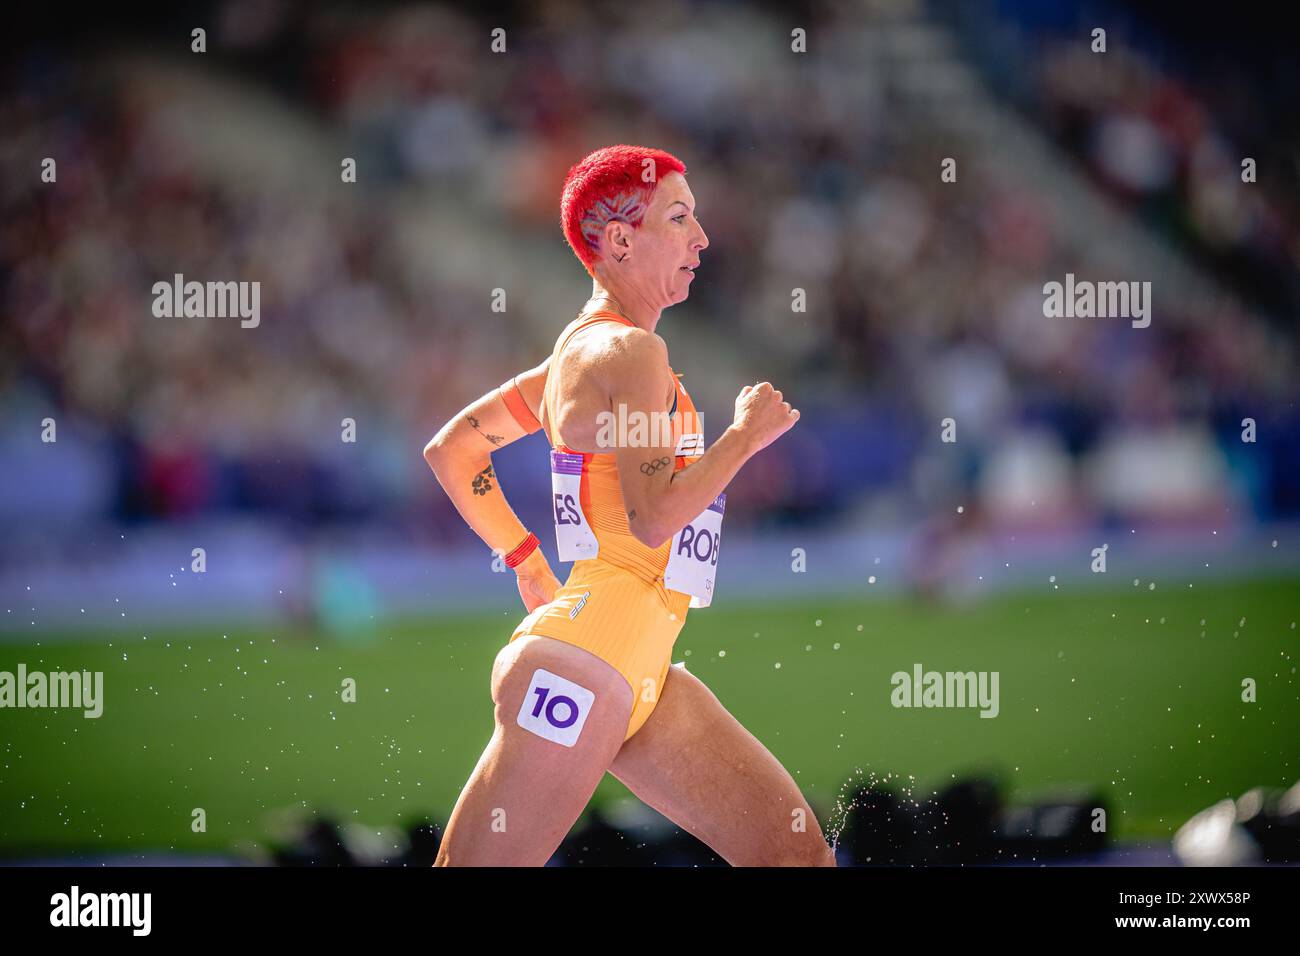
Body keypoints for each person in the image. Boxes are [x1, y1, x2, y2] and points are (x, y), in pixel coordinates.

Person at [424, 145, 835, 866]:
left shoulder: (575, 362)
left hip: (639, 669)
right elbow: (654, 517)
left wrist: (524, 560)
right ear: (619, 240)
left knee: (796, 858)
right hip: (585, 664)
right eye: (679, 218)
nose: (701, 239)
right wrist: (743, 439)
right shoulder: (629, 355)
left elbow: (453, 451)